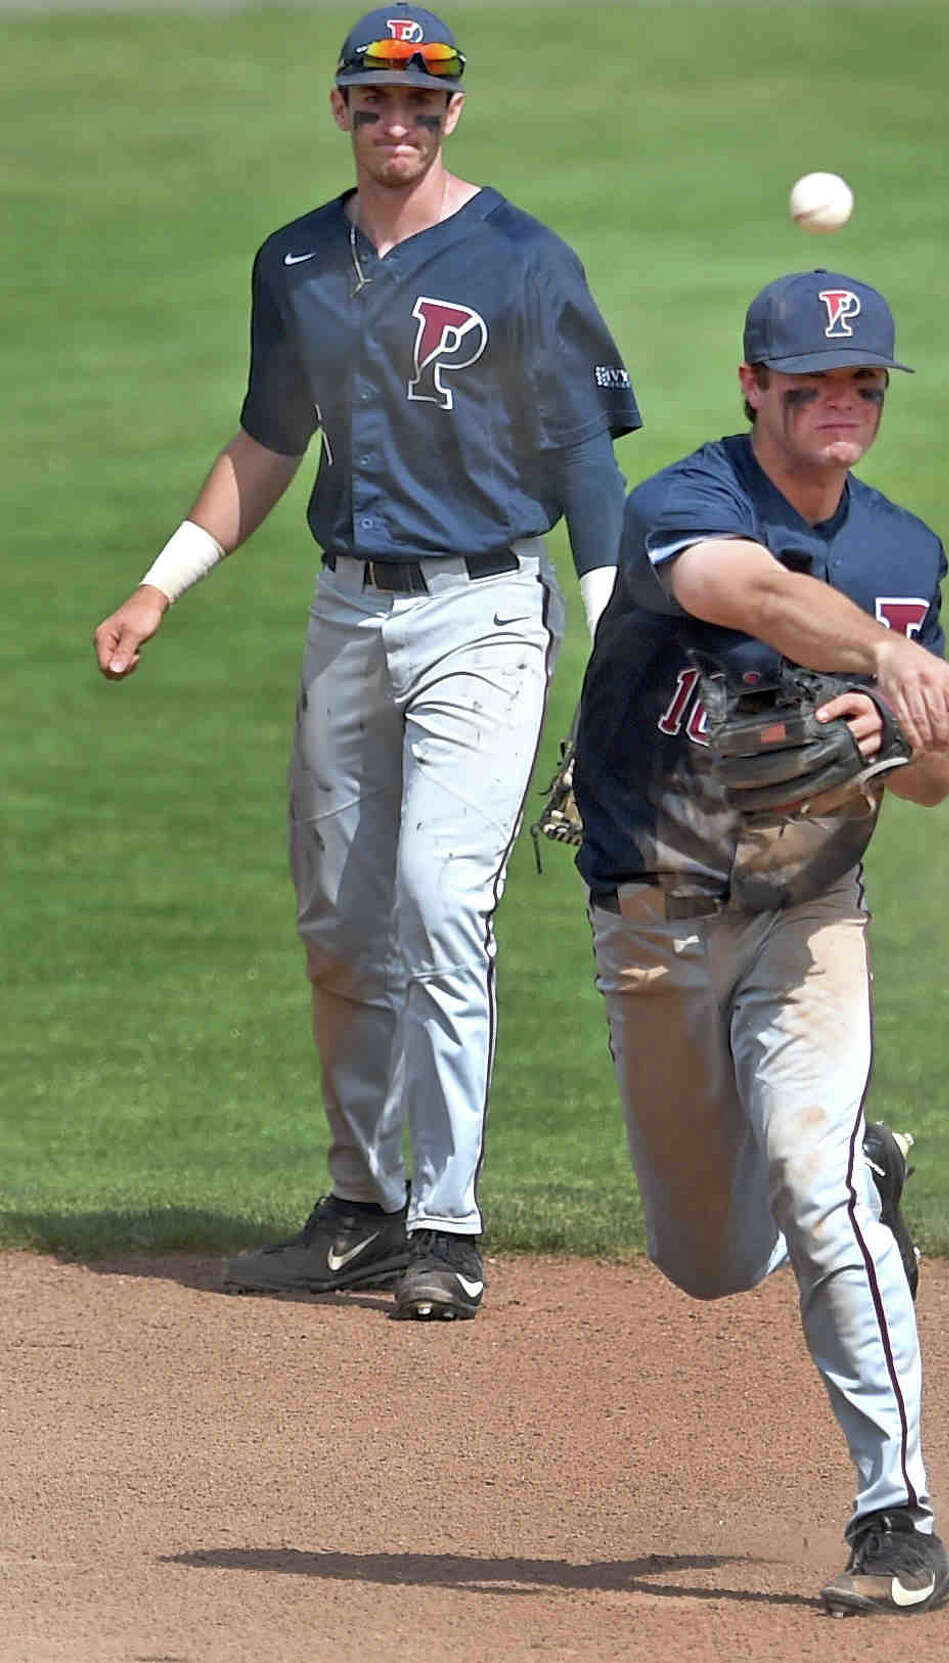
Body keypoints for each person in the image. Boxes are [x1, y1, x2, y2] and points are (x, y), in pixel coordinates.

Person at [91, 7, 640, 1321]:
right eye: (375, 100)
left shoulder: (522, 262)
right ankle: (361, 1208)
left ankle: (447, 1221)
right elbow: (268, 444)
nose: (401, 122)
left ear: (455, 111)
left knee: (440, 903)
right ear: (340, 107)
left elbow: (584, 469)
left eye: (424, 102)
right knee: (340, 919)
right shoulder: (295, 261)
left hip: (487, 616)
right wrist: (161, 584)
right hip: (347, 619)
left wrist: (616, 654)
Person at [572, 269, 949, 1614]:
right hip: (653, 915)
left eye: (862, 382)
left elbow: (934, 781)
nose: (839, 404)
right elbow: (745, 593)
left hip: (812, 924)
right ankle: (869, 1166)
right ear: (753, 387)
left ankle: (898, 1516)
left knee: (817, 1194)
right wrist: (880, 661)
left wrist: (899, 738)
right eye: (809, 384)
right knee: (706, 1262)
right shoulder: (684, 504)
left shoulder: (902, 549)